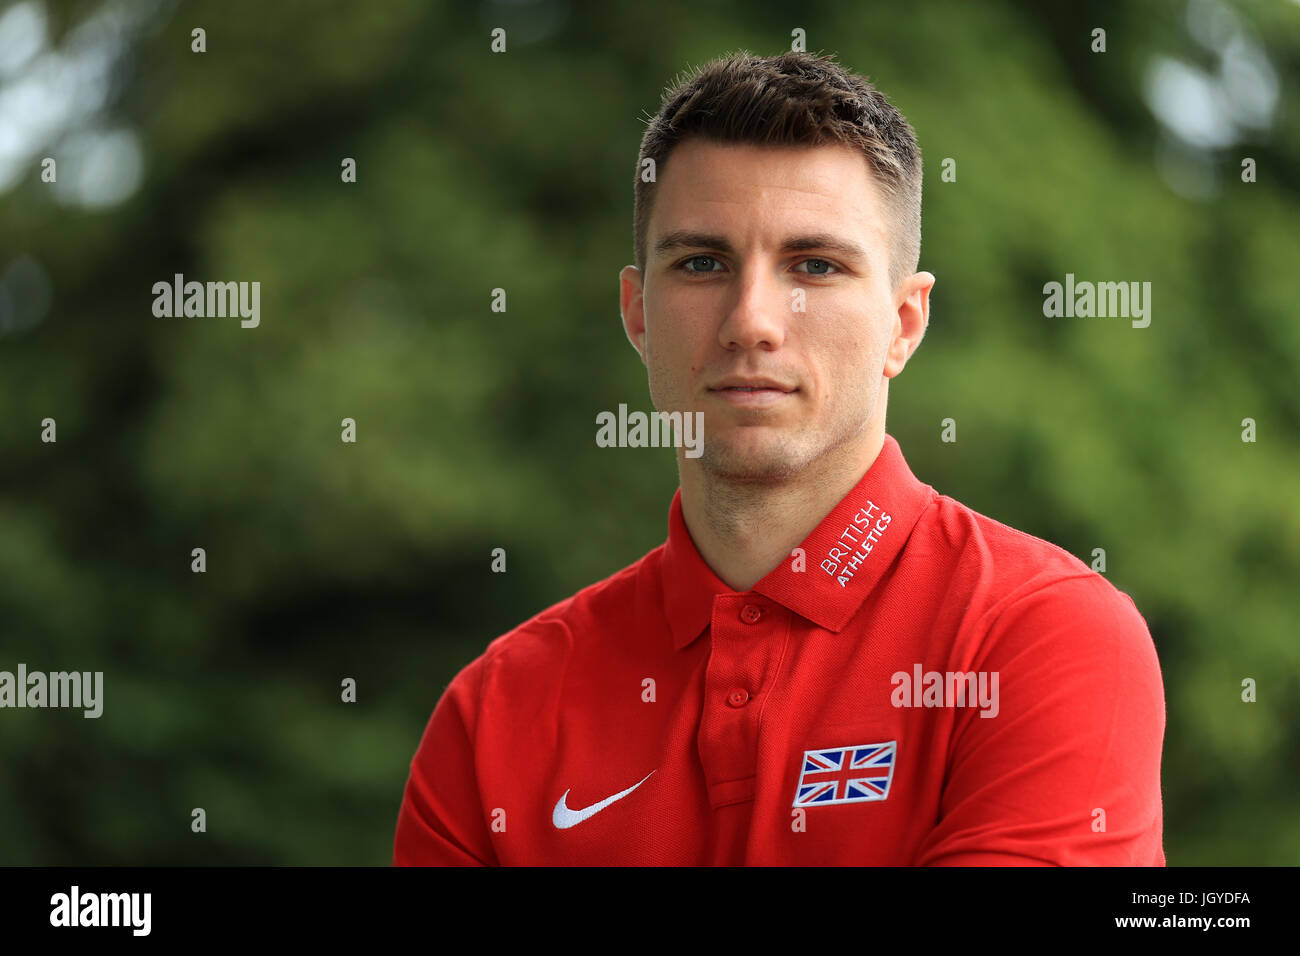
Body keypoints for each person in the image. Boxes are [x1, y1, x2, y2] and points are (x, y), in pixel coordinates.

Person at [393, 49, 1166, 865]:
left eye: (815, 265)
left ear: (903, 325)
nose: (752, 320)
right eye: (702, 263)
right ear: (637, 313)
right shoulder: (495, 713)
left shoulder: (1041, 642)